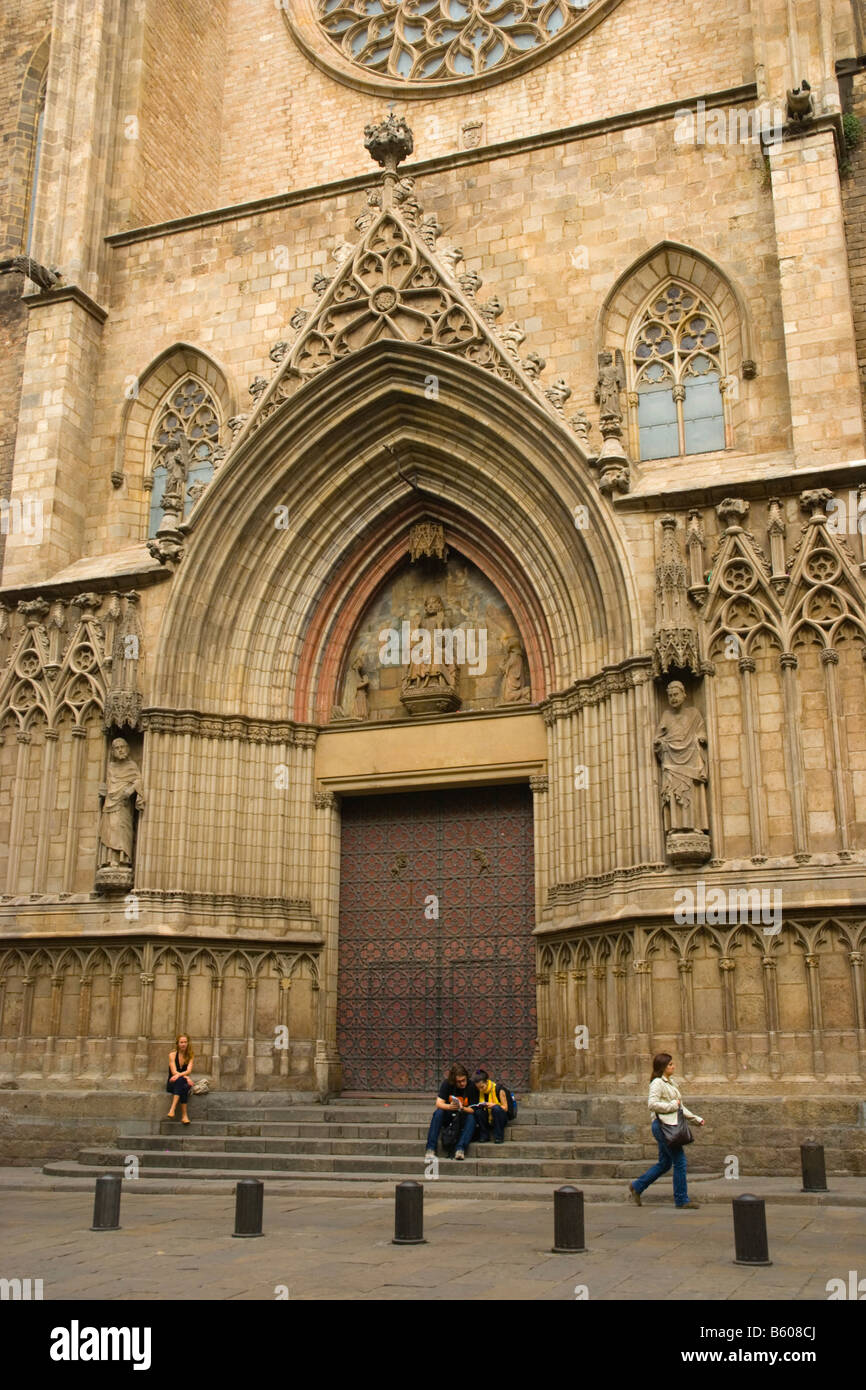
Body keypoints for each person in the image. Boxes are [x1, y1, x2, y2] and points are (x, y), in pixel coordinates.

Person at [628, 1052, 704, 1209]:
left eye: (673, 1063)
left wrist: (696, 1119)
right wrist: (671, 1106)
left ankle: (637, 1186)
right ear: (662, 1067)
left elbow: (680, 1106)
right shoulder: (657, 1083)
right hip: (663, 1126)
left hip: (669, 1125)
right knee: (680, 1162)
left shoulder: (671, 1083)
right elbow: (652, 1104)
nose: (673, 1066)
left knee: (665, 1163)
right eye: (670, 1064)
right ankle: (682, 1200)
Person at [424, 1063, 478, 1160]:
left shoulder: (471, 1086)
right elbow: (439, 1103)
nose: (462, 1084)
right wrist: (450, 1107)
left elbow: (473, 1109)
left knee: (472, 1118)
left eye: (464, 1080)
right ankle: (430, 1148)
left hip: (462, 1116)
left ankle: (460, 1149)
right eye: (459, 1082)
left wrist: (463, 1108)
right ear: (454, 1081)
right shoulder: (447, 1084)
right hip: (449, 1115)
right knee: (438, 1113)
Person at [471, 1068, 509, 1144]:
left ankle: (498, 1136)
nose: (480, 1090)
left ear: (487, 1082)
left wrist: (493, 1105)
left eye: (482, 1087)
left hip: (500, 1117)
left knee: (496, 1109)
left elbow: (505, 1108)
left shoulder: (498, 1089)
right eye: (478, 1088)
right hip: (487, 1117)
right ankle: (484, 1135)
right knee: (478, 1111)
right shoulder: (479, 1091)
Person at [166, 1033, 194, 1123]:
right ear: (178, 1043)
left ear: (188, 1043)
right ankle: (184, 1115)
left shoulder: (190, 1055)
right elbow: (174, 1072)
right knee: (182, 1083)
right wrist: (187, 1078)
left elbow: (189, 1070)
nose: (183, 1044)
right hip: (172, 1083)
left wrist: (183, 1077)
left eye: (185, 1042)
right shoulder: (172, 1055)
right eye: (181, 1042)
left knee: (183, 1085)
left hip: (182, 1083)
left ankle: (172, 1110)